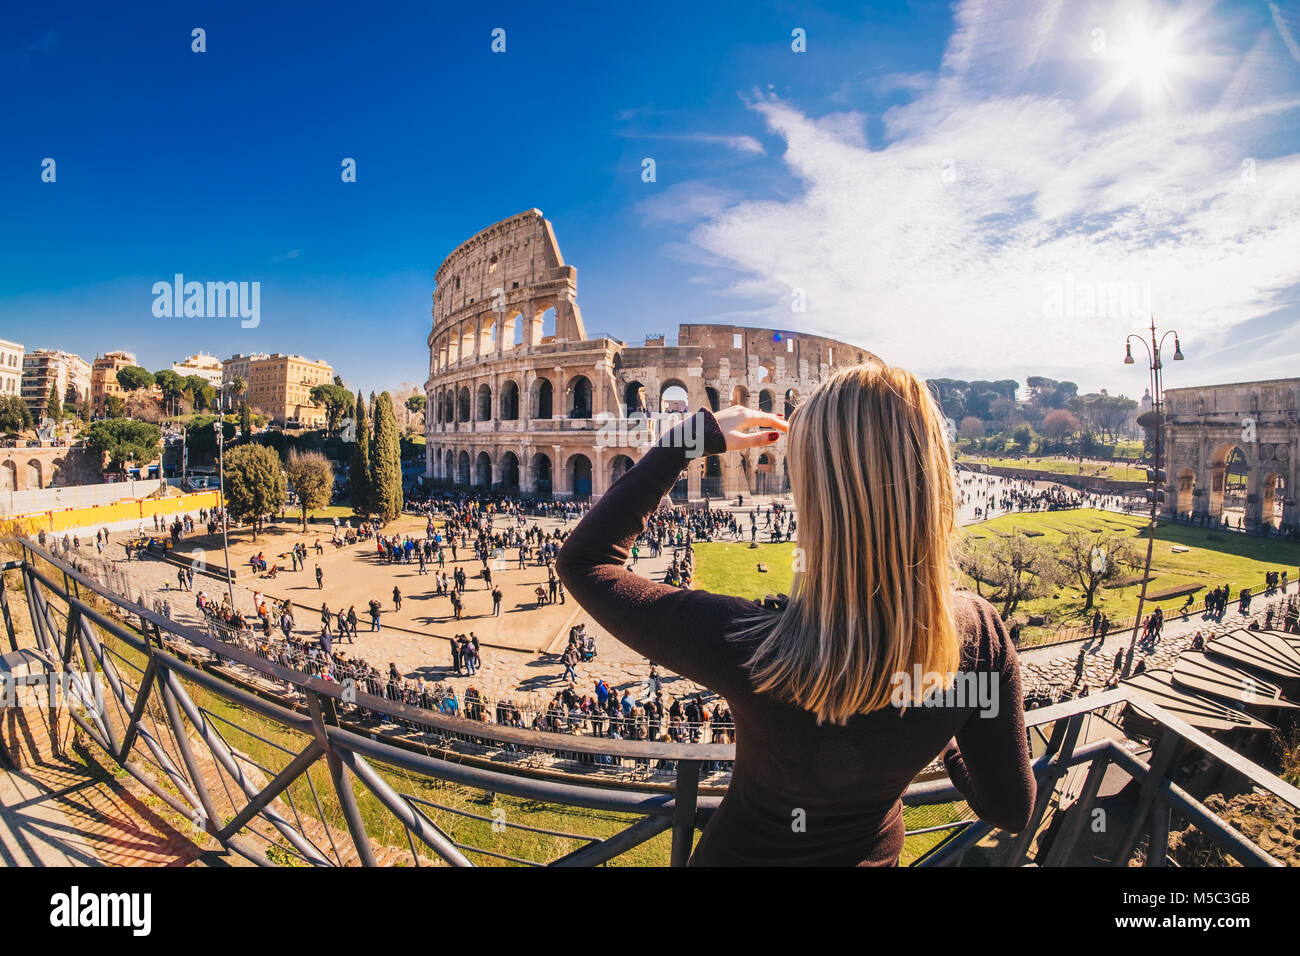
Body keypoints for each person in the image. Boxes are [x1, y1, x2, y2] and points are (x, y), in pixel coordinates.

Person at [557, 364, 1035, 866]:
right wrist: (948, 748)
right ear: (935, 482)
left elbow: (585, 562)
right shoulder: (976, 636)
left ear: (815, 495)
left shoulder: (749, 642)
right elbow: (1010, 808)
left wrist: (685, 442)